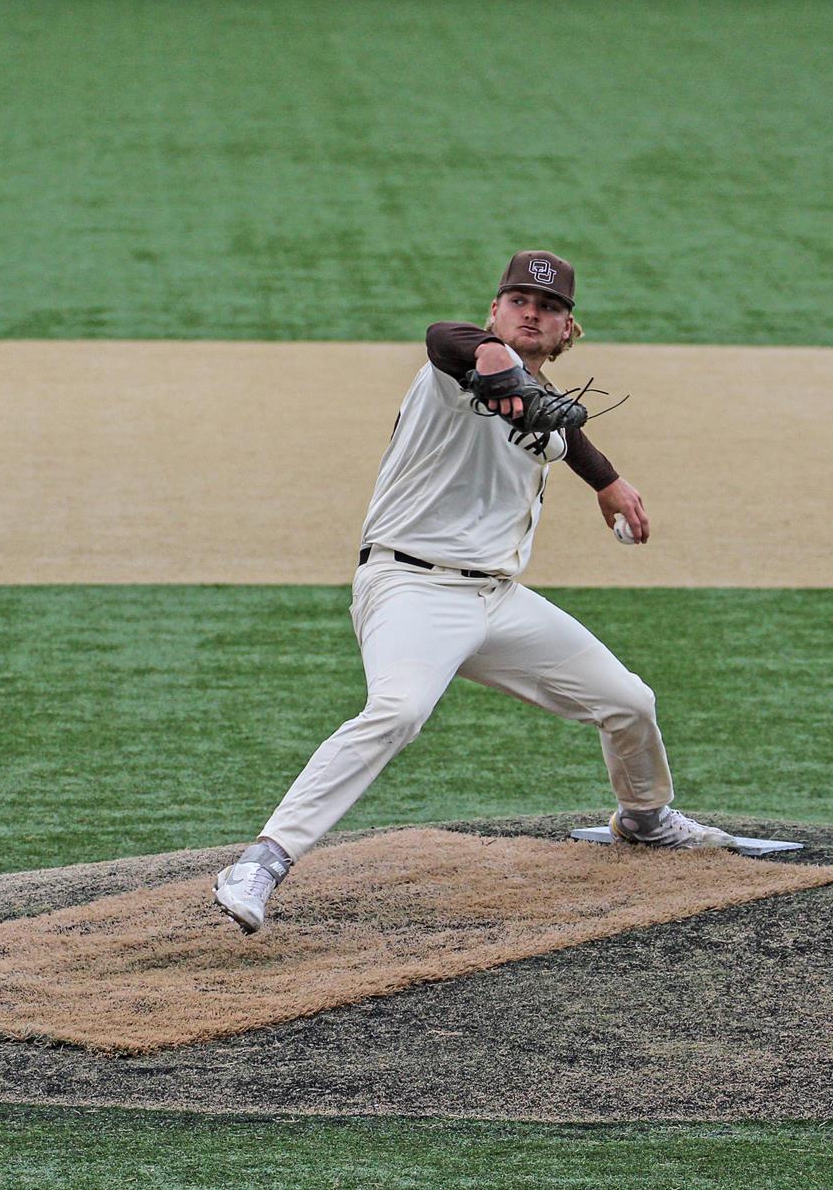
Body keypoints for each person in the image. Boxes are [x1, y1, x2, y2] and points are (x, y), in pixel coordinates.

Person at [214, 249, 739, 934]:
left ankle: (643, 818)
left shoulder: (545, 409)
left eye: (549, 307)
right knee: (399, 710)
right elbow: (443, 335)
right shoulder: (452, 371)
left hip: (497, 601)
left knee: (629, 700)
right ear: (494, 311)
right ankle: (261, 860)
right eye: (518, 300)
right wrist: (492, 358)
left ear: (568, 332)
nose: (532, 311)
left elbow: (560, 430)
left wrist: (607, 481)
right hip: (409, 586)